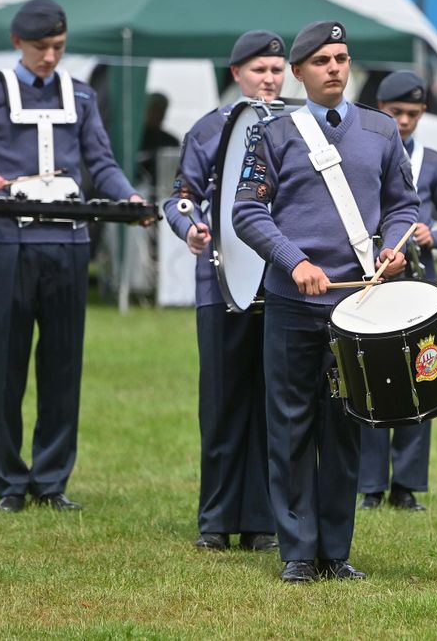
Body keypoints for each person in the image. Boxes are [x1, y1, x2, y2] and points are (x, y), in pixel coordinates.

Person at [0, 0, 145, 512]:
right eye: (41, 48)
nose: (50, 57)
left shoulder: (82, 97)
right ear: (19, 43)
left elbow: (101, 164)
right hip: (10, 245)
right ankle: (9, 483)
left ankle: (51, 480)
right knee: (6, 365)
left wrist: (127, 195)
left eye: (59, 48)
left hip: (68, 245)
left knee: (63, 365)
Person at [232, 21, 418, 583]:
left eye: (341, 58)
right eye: (321, 61)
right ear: (298, 73)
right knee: (289, 426)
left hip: (357, 306)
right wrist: (296, 262)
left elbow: (403, 206)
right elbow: (246, 211)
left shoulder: (382, 132)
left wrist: (395, 246)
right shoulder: (273, 134)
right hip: (293, 304)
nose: (335, 68)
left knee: (345, 426)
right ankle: (297, 551)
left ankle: (335, 552)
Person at [161, 30, 287, 552]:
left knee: (269, 402)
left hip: (279, 284)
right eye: (259, 70)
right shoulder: (211, 128)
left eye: (277, 70)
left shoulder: (295, 127)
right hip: (221, 283)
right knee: (221, 401)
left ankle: (260, 521)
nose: (269, 79)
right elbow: (181, 196)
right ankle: (215, 518)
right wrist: (188, 227)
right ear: (236, 73)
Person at [357, 71, 437, 513]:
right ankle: (369, 484)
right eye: (396, 112)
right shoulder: (362, 150)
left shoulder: (433, 161)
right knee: (370, 376)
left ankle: (406, 484)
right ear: (380, 110)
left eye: (414, 113)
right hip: (371, 280)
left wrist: (434, 235)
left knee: (422, 377)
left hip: (421, 285)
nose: (404, 121)